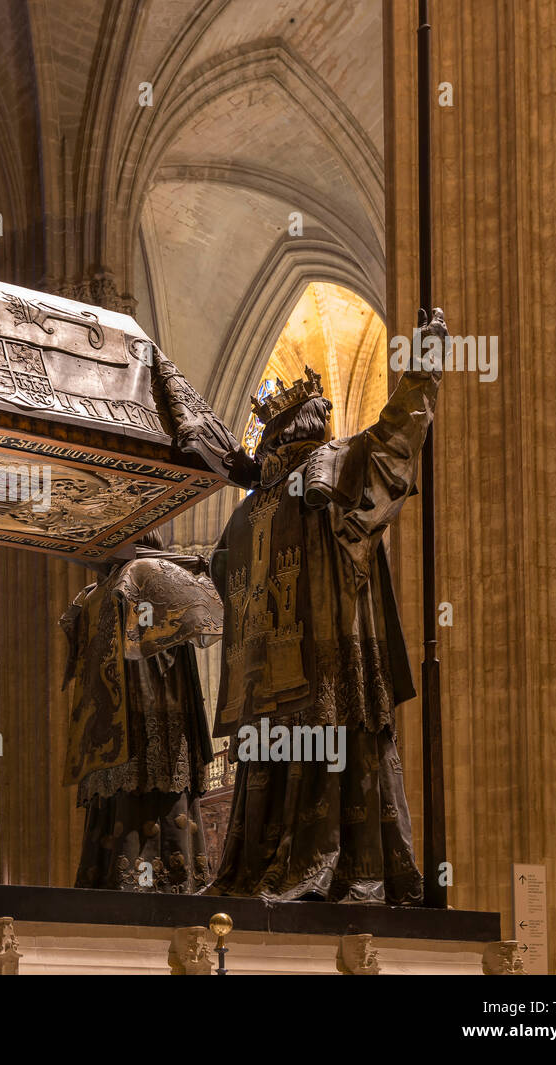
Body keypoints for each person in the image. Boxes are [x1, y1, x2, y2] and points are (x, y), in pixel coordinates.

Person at [207, 310, 446, 905]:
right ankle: (339, 868)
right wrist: (424, 369)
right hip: (332, 668)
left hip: (267, 696)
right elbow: (396, 434)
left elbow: (214, 574)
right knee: (345, 745)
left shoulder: (245, 515)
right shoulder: (330, 468)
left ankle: (268, 863)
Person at [61, 530, 221, 892]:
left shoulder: (145, 573)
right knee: (119, 804)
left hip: (153, 715)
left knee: (151, 803)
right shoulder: (96, 594)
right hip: (115, 724)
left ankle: (157, 885)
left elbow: (176, 641)